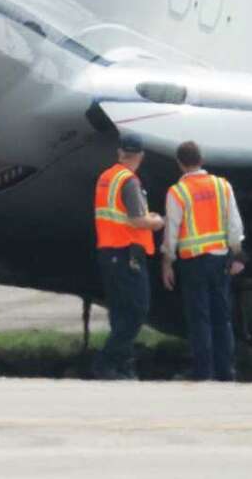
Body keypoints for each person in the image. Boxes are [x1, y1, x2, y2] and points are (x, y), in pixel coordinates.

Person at [160, 139, 243, 382]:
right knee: (222, 317)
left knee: (199, 318)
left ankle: (203, 371)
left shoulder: (177, 192)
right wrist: (237, 254)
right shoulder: (222, 186)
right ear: (202, 160)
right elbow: (235, 225)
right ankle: (226, 371)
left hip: (193, 263)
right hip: (220, 259)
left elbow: (172, 230)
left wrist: (167, 261)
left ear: (179, 164)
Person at [92, 133, 163, 380]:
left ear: (120, 152)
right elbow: (136, 219)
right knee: (137, 309)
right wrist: (157, 221)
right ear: (140, 156)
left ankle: (121, 366)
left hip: (109, 250)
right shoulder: (129, 181)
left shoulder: (106, 177)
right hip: (126, 252)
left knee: (120, 311)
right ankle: (106, 362)